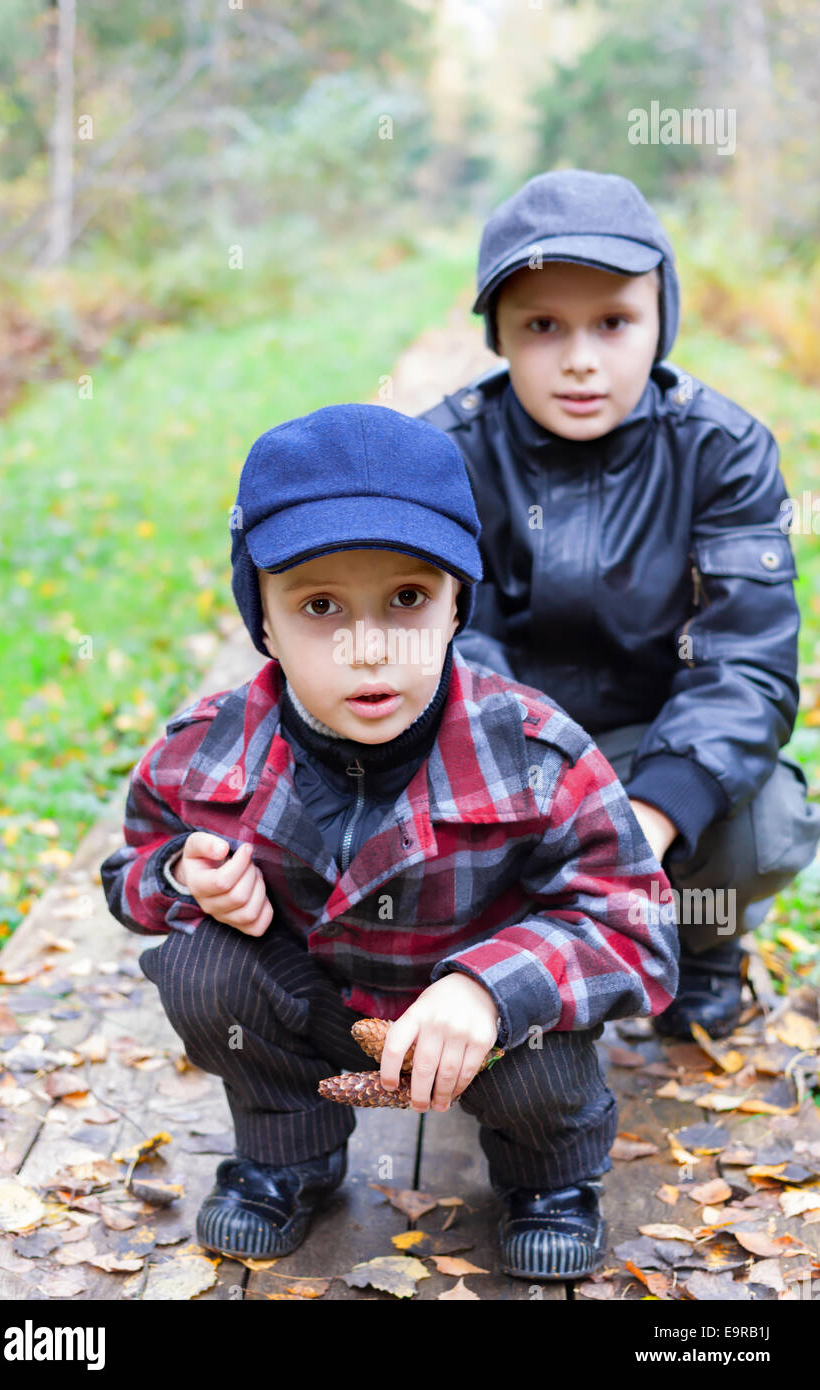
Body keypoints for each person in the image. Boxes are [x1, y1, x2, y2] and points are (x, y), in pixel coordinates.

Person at [100, 402, 678, 1282]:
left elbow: (636, 925)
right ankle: (289, 1157)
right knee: (201, 966)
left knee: (539, 1062)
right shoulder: (204, 751)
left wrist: (492, 988)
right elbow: (128, 874)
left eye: (407, 599)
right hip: (321, 1010)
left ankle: (548, 1180)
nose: (368, 647)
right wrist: (182, 873)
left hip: (489, 1032)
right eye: (320, 606)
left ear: (456, 609)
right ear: (263, 622)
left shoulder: (535, 752)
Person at [417, 168, 820, 1042]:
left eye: (613, 323)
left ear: (661, 320)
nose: (581, 360)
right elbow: (447, 640)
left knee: (767, 828)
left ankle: (701, 945)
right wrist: (533, 788)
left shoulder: (723, 449)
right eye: (542, 327)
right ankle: (516, 951)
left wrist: (648, 815)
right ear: (500, 336)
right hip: (500, 749)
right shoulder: (443, 453)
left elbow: (744, 660)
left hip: (653, 738)